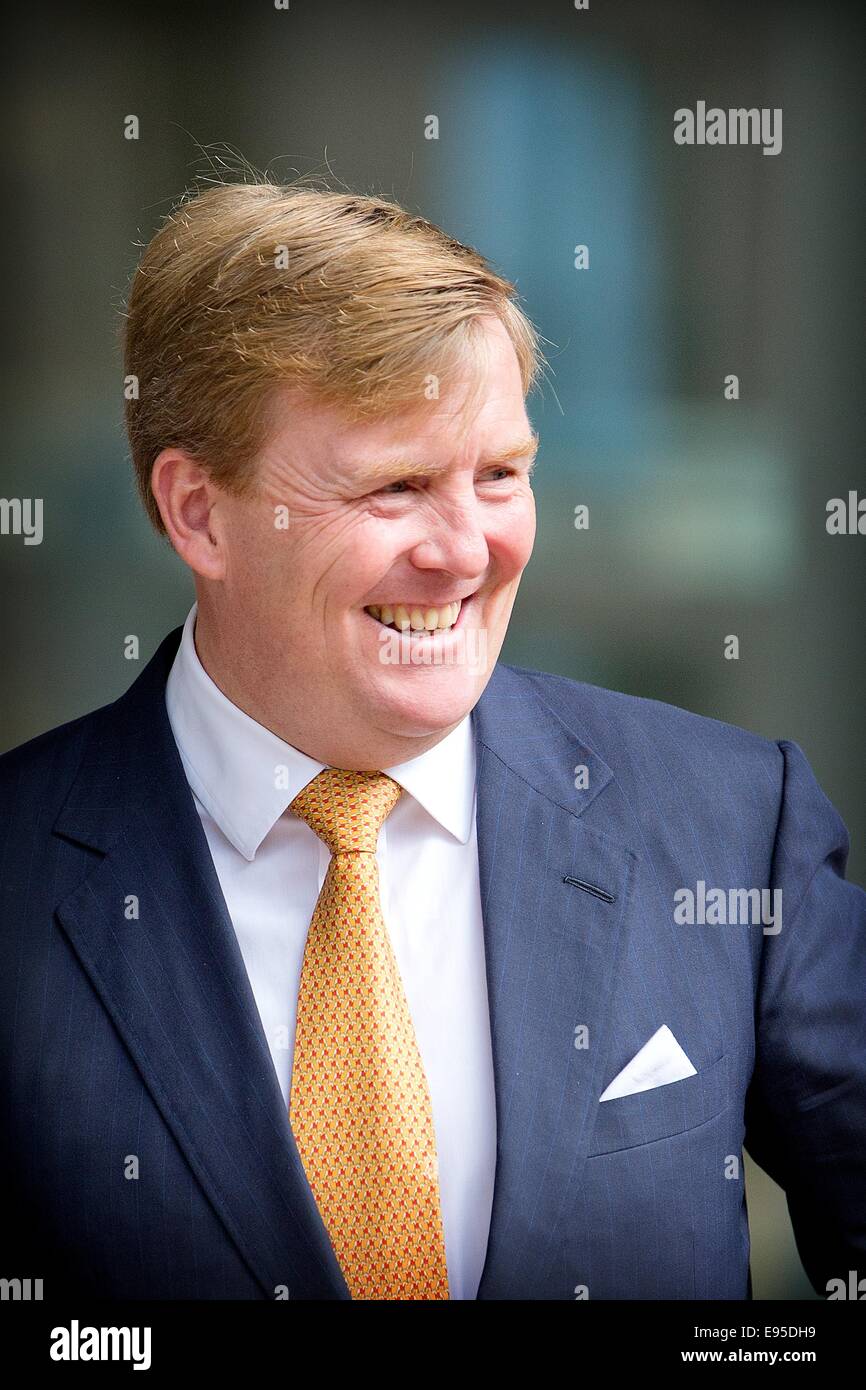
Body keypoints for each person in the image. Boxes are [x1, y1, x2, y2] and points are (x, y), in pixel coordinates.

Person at [1, 181, 863, 1300]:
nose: (467, 551)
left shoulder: (732, 824)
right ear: (200, 513)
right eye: (394, 486)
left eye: (499, 474)